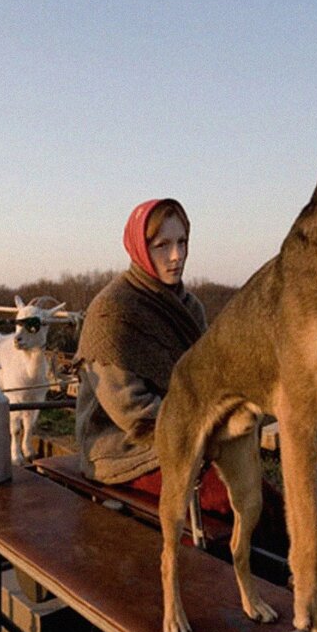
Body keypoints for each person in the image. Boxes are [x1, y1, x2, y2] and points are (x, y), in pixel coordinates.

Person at [73, 198, 236, 513]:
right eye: (162, 245)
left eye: (182, 242)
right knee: (228, 501)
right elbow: (132, 411)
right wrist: (203, 430)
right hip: (124, 449)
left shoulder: (190, 308)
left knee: (261, 497)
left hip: (187, 435)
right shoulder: (112, 312)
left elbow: (206, 381)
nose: (176, 256)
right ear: (139, 249)